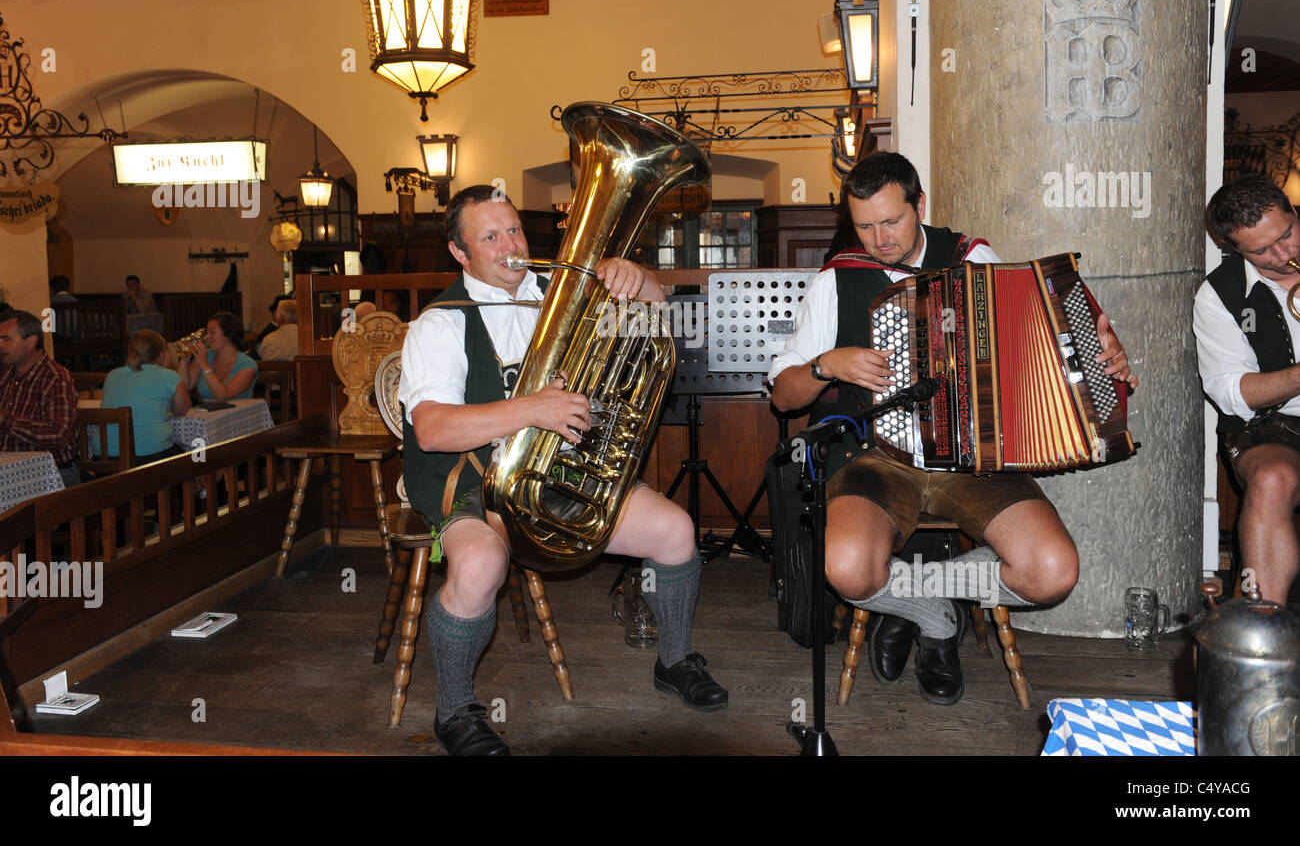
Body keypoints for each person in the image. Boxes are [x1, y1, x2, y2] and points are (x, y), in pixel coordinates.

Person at [768, 152, 1137, 704]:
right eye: (863, 226)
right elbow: (782, 396)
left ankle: (913, 598)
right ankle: (933, 616)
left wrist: (1098, 353)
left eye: (891, 220)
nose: (878, 239)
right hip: (876, 458)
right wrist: (827, 365)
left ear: (921, 205)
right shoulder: (838, 279)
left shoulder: (973, 257)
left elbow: (1036, 343)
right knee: (846, 570)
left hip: (977, 457)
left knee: (1051, 571)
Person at [399, 184, 727, 755]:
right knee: (478, 563)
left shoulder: (562, 291)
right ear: (460, 253)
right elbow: (431, 430)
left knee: (675, 531)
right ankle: (454, 710)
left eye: (515, 231)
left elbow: (655, 313)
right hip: (474, 479)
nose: (511, 246)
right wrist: (534, 408)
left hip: (563, 472)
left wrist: (636, 275)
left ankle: (674, 660)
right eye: (491, 237)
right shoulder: (441, 323)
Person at [1194, 174, 1300, 605]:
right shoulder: (1219, 294)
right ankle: (1261, 628)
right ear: (1236, 249)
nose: (1284, 254)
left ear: (1292, 212)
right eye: (1261, 250)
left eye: (1288, 234)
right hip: (1270, 426)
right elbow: (1232, 393)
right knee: (1272, 479)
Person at [0, 309, 80, 487]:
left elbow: (59, 434)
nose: (0, 345)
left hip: (50, 475)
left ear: (31, 341)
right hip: (10, 470)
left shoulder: (55, 378)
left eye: (6, 339)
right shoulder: (7, 374)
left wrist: (4, 419)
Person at [101, 330, 191, 463]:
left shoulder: (112, 375)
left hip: (106, 458)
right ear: (162, 354)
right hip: (150, 457)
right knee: (192, 458)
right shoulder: (168, 376)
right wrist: (165, 368)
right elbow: (181, 410)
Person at [179, 312, 258, 401]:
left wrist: (204, 365)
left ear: (228, 335)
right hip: (206, 413)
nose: (207, 337)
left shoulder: (247, 365)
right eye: (207, 333)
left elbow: (223, 395)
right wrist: (184, 358)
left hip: (237, 413)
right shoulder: (207, 355)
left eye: (212, 332)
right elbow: (186, 385)